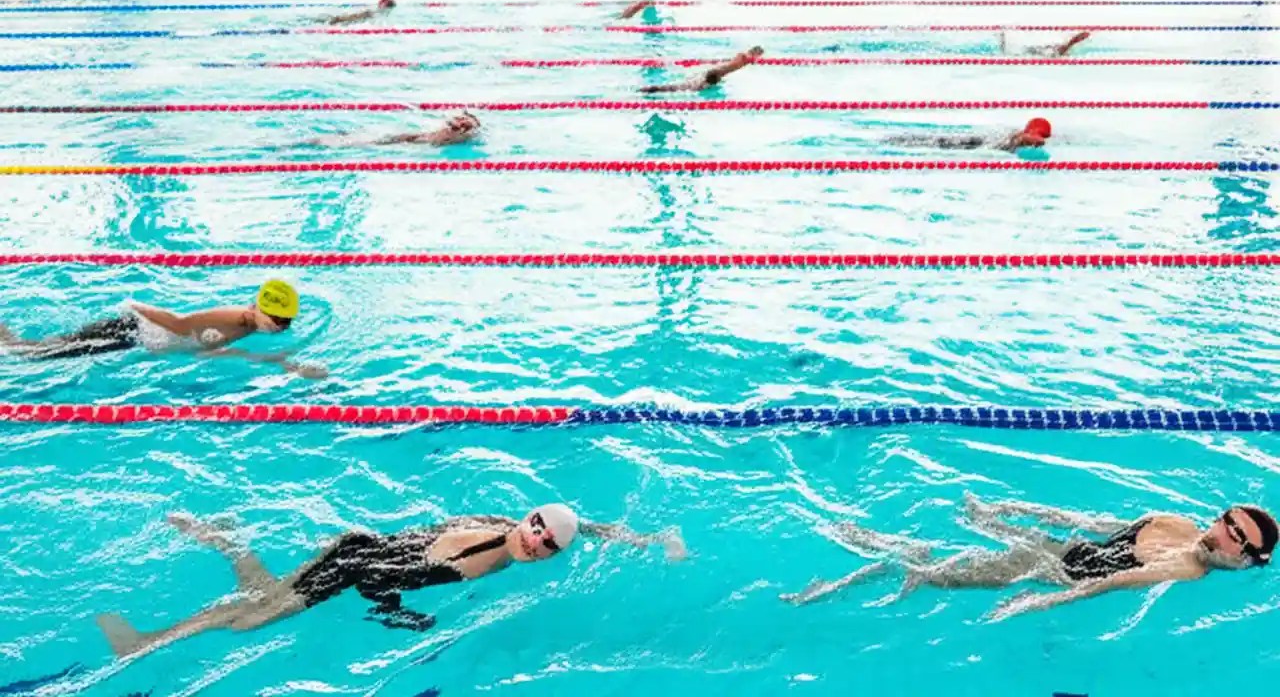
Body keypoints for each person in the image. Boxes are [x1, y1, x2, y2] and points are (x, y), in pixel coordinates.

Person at [96, 505, 686, 659]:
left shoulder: (508, 528)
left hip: (361, 543)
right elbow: (378, 574)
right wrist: (393, 613)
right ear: (527, 522)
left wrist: (650, 539)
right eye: (537, 531)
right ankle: (146, 641)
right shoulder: (484, 553)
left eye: (548, 544)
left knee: (261, 594)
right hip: (358, 561)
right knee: (253, 616)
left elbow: (586, 525)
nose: (537, 543)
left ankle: (226, 538)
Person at [781, 492, 1277, 621]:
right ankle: (840, 579)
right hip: (1050, 562)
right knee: (929, 576)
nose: (1222, 531)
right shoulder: (1183, 547)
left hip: (1055, 563)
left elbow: (1102, 579)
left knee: (938, 568)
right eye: (1226, 519)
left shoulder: (1185, 559)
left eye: (1237, 534)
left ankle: (861, 542)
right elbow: (1094, 524)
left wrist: (1036, 602)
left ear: (1247, 555)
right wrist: (1015, 513)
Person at [0, 280, 326, 379]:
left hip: (140, 343)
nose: (282, 328)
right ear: (259, 310)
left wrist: (286, 366)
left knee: (42, 350)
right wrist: (136, 307)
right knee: (32, 355)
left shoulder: (253, 327)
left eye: (287, 322)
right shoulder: (231, 318)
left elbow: (213, 350)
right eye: (277, 321)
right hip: (133, 332)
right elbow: (180, 323)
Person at [304, 111, 480, 148]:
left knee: (329, 142)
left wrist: (462, 124)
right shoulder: (449, 133)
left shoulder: (454, 134)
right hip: (392, 139)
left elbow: (439, 141)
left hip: (390, 142)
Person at [639, 46, 764, 94]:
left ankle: (653, 89)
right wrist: (751, 58)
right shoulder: (744, 55)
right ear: (754, 53)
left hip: (714, 75)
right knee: (683, 88)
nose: (758, 59)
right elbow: (746, 58)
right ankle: (653, 89)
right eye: (758, 55)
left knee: (684, 87)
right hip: (713, 74)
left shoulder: (745, 58)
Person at [886, 117, 1052, 152]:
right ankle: (901, 141)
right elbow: (1031, 139)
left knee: (938, 142)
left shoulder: (1016, 133)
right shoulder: (1023, 136)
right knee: (940, 144)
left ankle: (901, 140)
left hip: (980, 141)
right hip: (979, 144)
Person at [1001, 30, 1091, 57]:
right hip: (1042, 52)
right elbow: (1071, 42)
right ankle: (1003, 43)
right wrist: (1077, 39)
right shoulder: (1063, 49)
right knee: (1014, 53)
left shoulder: (1064, 48)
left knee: (1017, 52)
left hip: (1041, 51)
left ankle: (1003, 43)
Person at [322, 0, 396, 26]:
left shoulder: (371, 13)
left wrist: (339, 19)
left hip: (345, 21)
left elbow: (355, 17)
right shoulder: (381, 16)